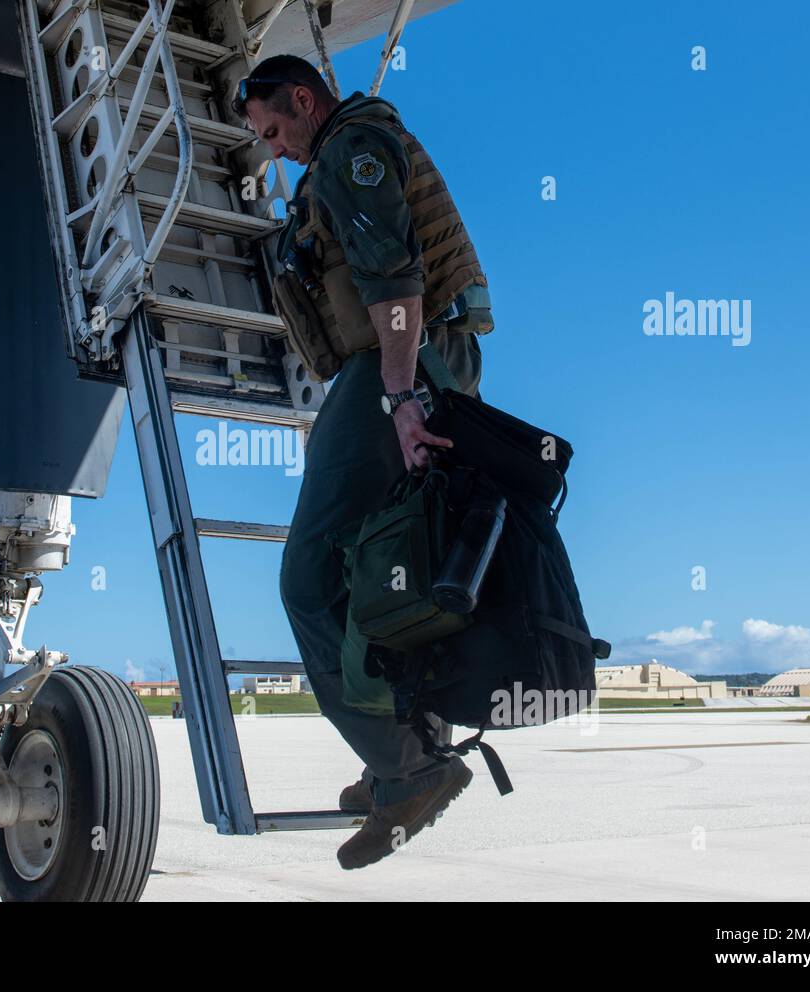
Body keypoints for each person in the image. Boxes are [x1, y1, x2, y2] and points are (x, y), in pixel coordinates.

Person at [234, 55, 495, 870]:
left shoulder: (351, 149)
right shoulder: (347, 150)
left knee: (309, 578)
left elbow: (393, 276)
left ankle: (407, 768)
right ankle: (407, 756)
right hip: (428, 360)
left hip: (400, 364)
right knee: (396, 571)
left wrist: (398, 394)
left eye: (274, 130)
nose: (273, 150)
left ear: (303, 101)